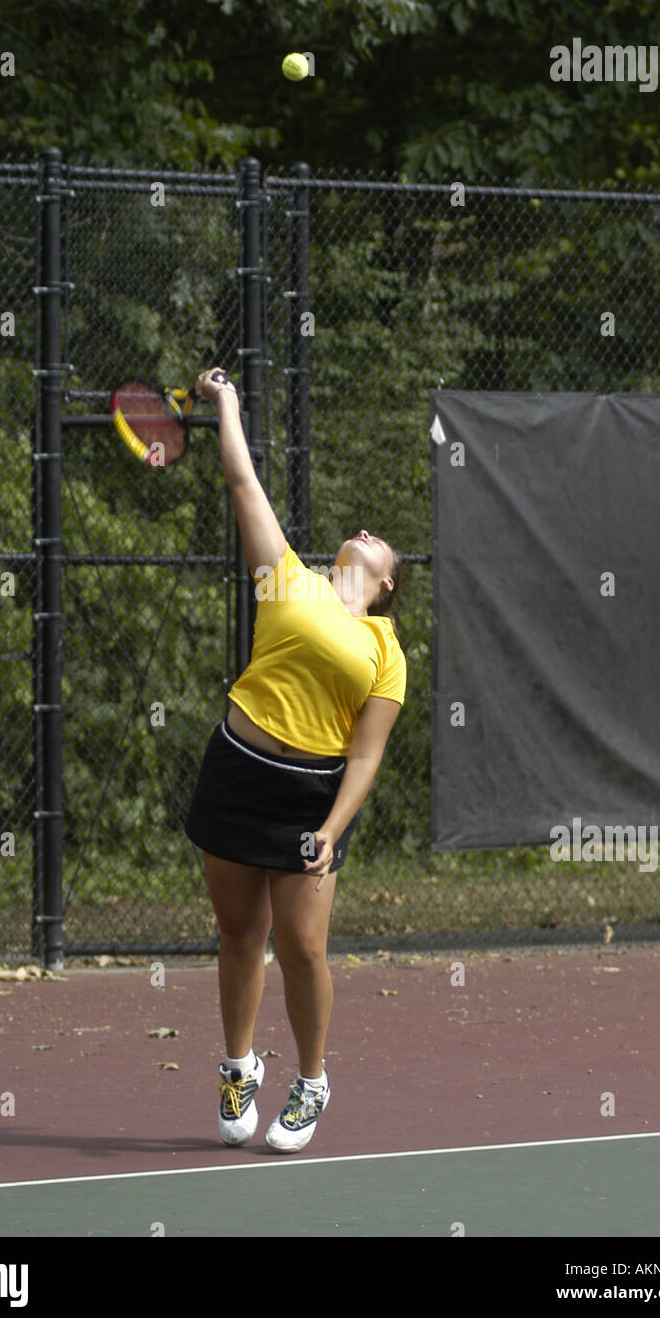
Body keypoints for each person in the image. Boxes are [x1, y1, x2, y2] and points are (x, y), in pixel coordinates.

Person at [184, 367, 407, 1153]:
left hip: (312, 796)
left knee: (303, 947)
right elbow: (241, 477)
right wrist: (227, 403)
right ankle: (238, 1065)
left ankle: (311, 1079)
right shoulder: (287, 576)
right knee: (240, 934)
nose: (368, 532)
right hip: (238, 767)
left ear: (384, 585)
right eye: (363, 530)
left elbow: (368, 756)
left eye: (381, 546)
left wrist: (332, 828)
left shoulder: (384, 650)